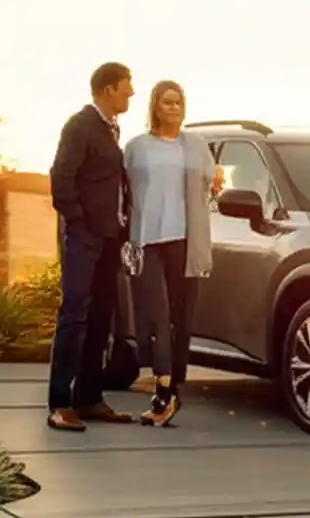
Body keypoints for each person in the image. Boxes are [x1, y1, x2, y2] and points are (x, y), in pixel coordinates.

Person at [123, 79, 220, 427]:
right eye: (167, 102)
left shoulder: (195, 146)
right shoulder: (137, 148)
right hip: (147, 240)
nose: (174, 108)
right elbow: (125, 192)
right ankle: (163, 390)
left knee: (181, 318)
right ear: (155, 108)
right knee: (158, 315)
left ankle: (170, 391)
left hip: (184, 240)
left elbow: (213, 185)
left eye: (178, 102)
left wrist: (218, 180)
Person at [46, 62, 137, 432]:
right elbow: (61, 177)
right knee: (75, 315)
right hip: (85, 237)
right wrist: (78, 221)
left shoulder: (110, 129)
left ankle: (89, 398)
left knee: (101, 317)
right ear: (107, 89)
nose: (131, 92)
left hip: (108, 238)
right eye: (126, 86)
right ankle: (59, 403)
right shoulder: (81, 125)